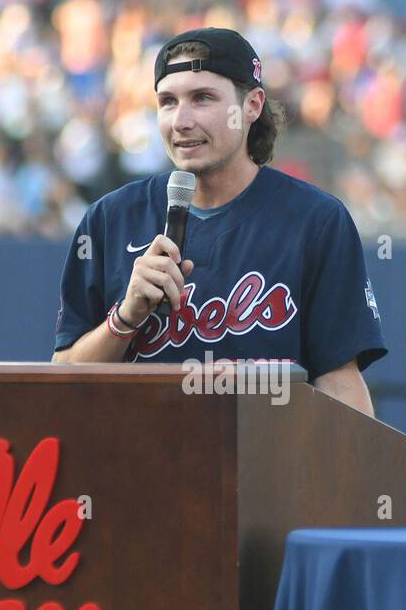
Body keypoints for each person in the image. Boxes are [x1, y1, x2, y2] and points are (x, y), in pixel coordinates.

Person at [51, 27, 387, 416]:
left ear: (252, 105)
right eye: (167, 102)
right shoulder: (109, 219)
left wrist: (360, 473)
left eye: (203, 98)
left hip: (264, 465)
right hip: (138, 463)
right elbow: (64, 381)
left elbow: (339, 381)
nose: (181, 120)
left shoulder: (316, 221)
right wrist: (125, 318)